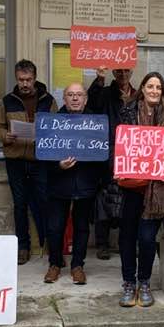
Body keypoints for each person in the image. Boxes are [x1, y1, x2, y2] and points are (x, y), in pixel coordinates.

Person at [116, 72, 164, 308]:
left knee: (146, 239)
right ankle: (128, 282)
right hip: (132, 186)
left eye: (158, 87)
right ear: (142, 88)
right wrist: (119, 167)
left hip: (158, 189)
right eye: (150, 86)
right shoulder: (127, 111)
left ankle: (144, 281)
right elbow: (118, 144)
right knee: (126, 237)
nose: (154, 90)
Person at [0, 59, 57, 264]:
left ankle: (49, 245)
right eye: (21, 80)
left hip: (40, 159)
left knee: (45, 202)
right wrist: (5, 136)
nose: (25, 84)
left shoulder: (48, 99)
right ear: (16, 78)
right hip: (16, 159)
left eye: (28, 79)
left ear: (35, 78)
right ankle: (23, 246)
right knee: (19, 204)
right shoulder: (8, 100)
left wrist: (46, 136)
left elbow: (57, 126)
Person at [43, 82, 101, 285]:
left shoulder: (96, 122)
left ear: (85, 98)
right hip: (59, 183)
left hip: (85, 183)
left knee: (82, 227)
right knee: (55, 227)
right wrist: (59, 165)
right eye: (70, 94)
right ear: (64, 98)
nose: (75, 98)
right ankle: (55, 263)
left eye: (79, 94)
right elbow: (43, 154)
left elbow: (102, 153)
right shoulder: (52, 122)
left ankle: (78, 265)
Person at [88, 67, 137, 261]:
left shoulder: (137, 94)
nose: (123, 75)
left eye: (126, 71)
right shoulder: (106, 93)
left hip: (131, 153)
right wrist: (99, 77)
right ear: (113, 73)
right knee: (103, 198)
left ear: (131, 72)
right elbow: (92, 103)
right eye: (118, 71)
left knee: (128, 198)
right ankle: (102, 243)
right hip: (108, 151)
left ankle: (126, 242)